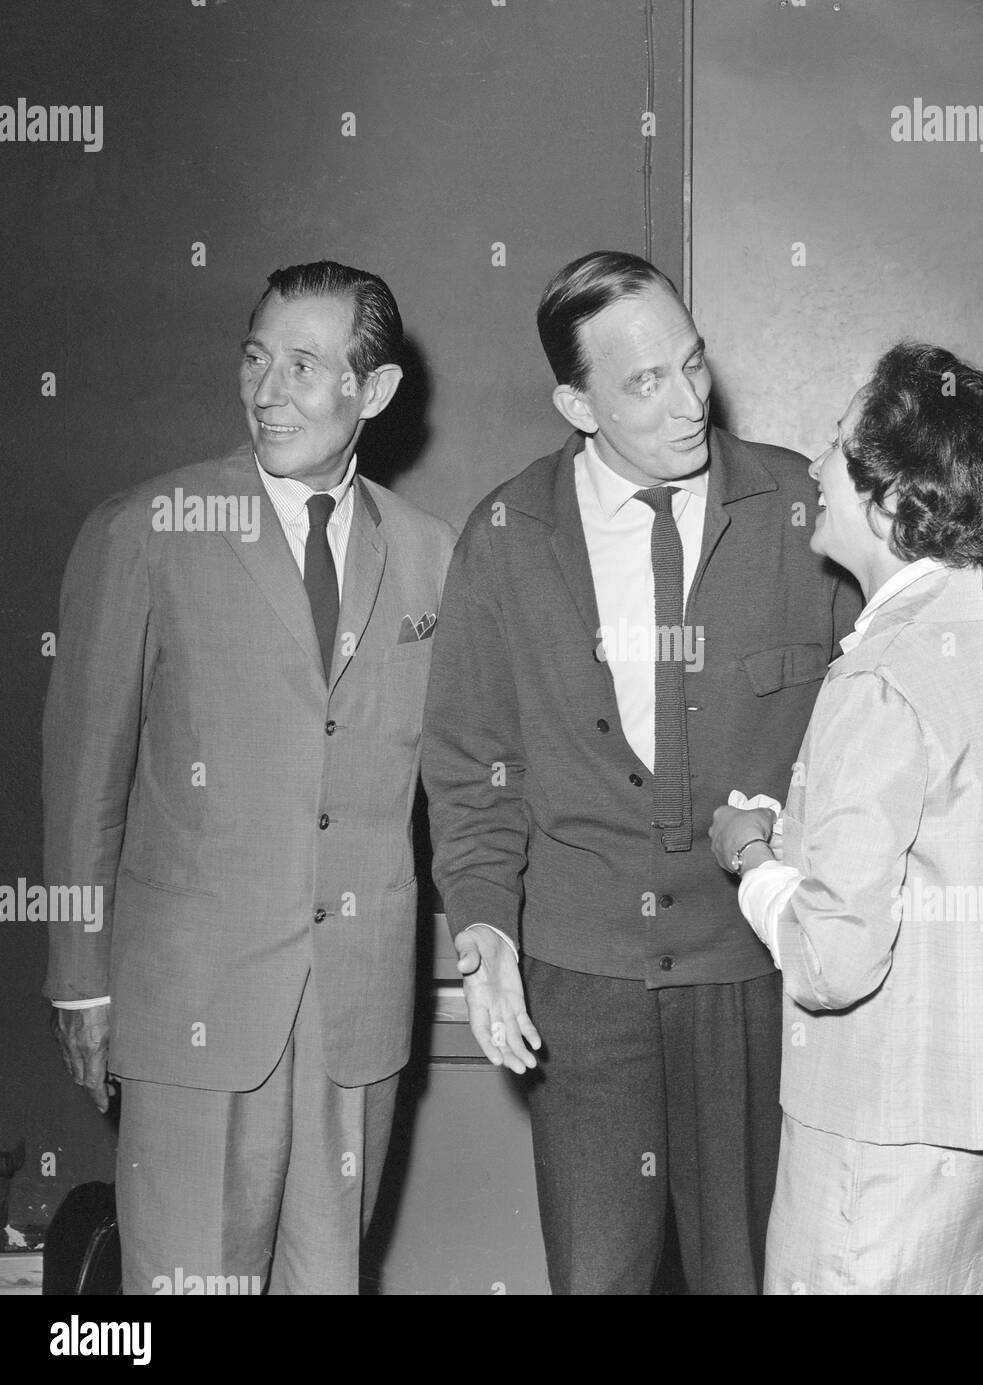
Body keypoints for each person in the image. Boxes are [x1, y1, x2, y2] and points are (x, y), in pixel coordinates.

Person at [421, 250, 860, 1294]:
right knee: (598, 1275)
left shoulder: (809, 511)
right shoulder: (504, 536)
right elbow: (475, 768)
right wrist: (483, 929)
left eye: (694, 363)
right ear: (574, 403)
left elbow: (878, 737)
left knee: (755, 1274)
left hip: (757, 976)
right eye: (644, 383)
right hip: (581, 987)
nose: (690, 404)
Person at [43, 260, 457, 1294]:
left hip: (355, 1017)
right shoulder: (148, 528)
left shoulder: (429, 555)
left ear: (377, 390)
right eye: (256, 356)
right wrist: (80, 976)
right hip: (191, 1007)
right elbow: (83, 770)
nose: (267, 389)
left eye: (305, 365)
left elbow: (456, 777)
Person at [709, 341, 983, 1294]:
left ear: (895, 498)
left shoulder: (877, 677)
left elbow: (834, 960)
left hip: (884, 1151)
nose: (816, 467)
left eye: (835, 443)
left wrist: (753, 857)